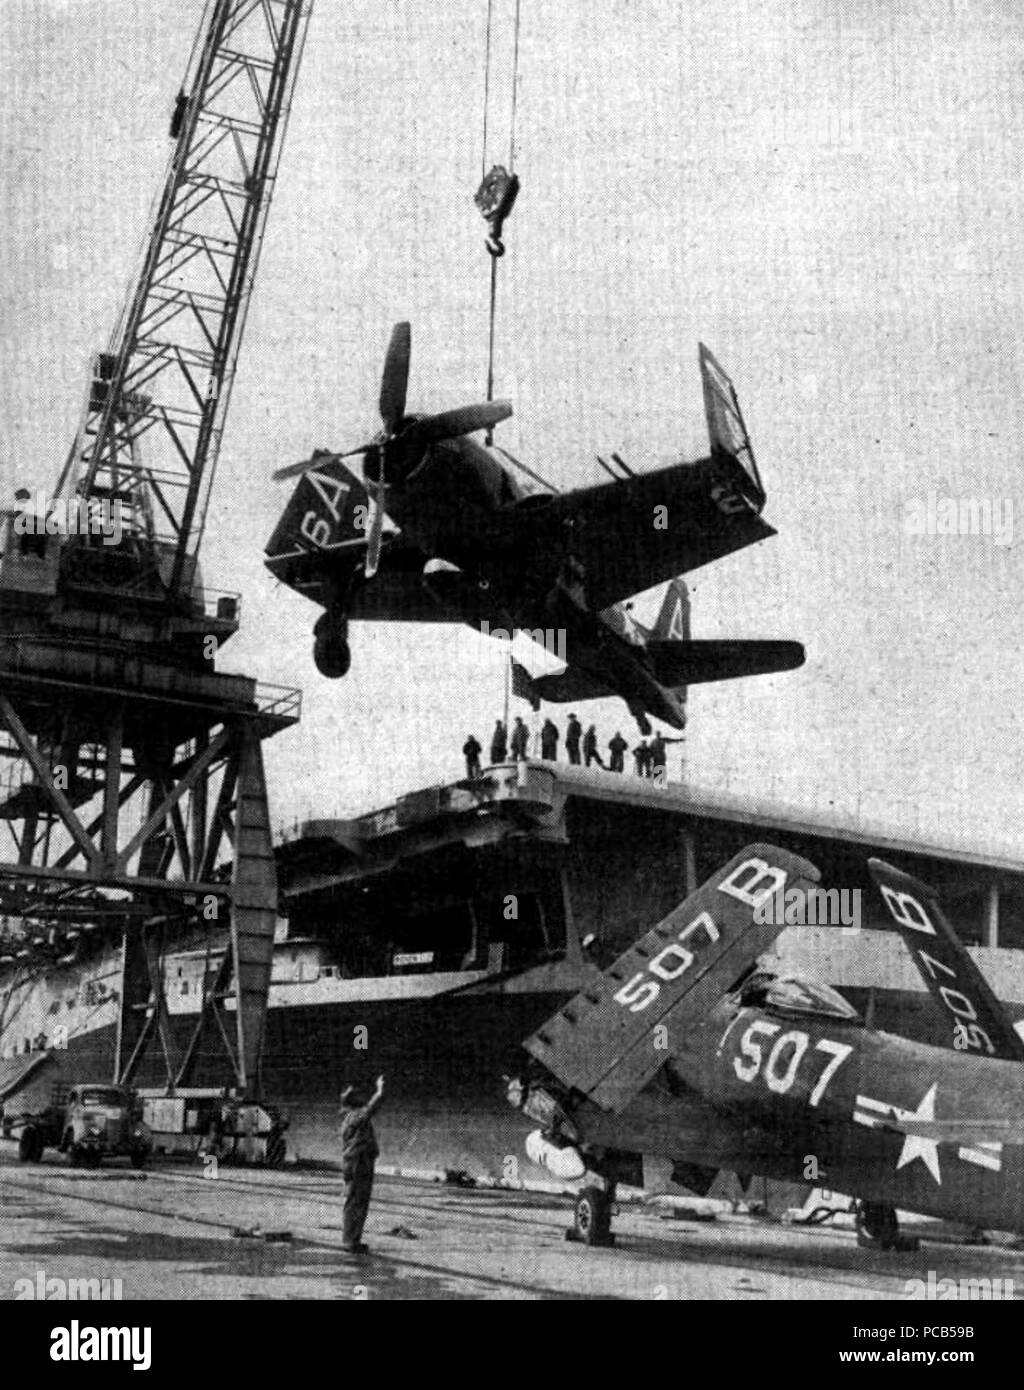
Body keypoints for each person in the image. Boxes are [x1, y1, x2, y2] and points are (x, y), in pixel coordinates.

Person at [338, 1075, 385, 1253]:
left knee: (355, 1201)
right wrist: (379, 1091)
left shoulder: (348, 1117)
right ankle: (351, 1241)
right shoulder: (355, 1116)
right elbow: (370, 1110)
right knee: (357, 1201)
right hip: (359, 1163)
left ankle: (352, 1239)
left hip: (356, 1162)